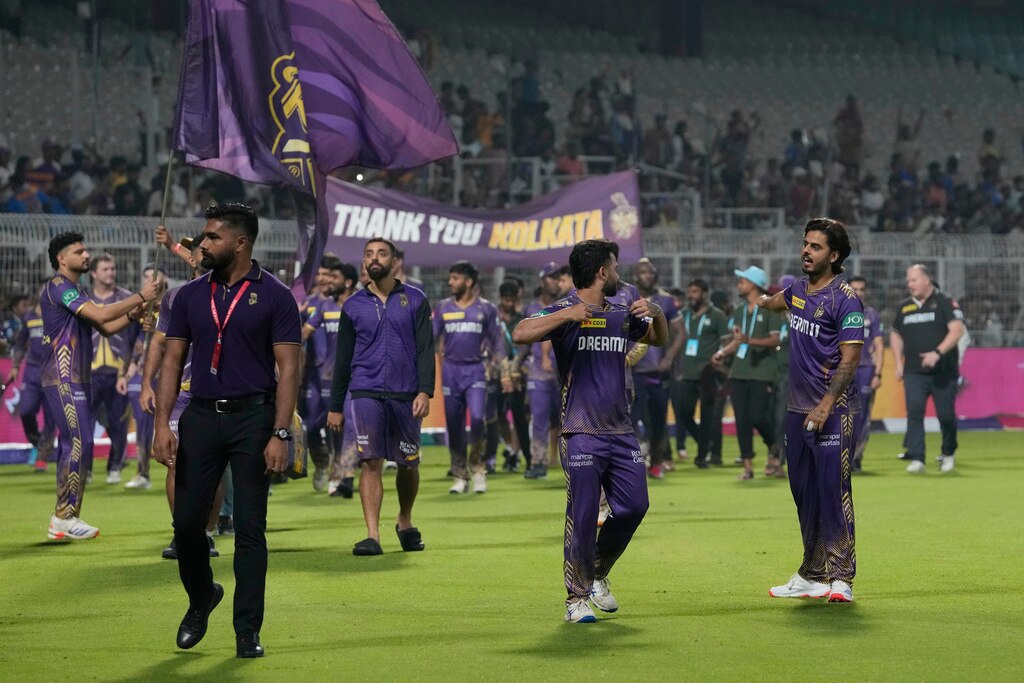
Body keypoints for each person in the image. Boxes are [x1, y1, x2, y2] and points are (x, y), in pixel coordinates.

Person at [153, 203, 302, 658]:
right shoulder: (188, 295)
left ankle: (246, 630)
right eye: (203, 236)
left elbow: (290, 368)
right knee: (186, 524)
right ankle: (202, 599)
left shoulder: (276, 296)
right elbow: (172, 361)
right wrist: (162, 423)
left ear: (241, 242)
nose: (202, 244)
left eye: (212, 237)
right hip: (199, 416)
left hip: (253, 419)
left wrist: (280, 433)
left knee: (251, 529)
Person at [513, 239, 668, 624]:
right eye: (614, 267)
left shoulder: (620, 310)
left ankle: (597, 572)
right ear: (602, 272)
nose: (618, 275)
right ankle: (576, 598)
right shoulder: (565, 308)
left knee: (635, 506)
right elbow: (520, 332)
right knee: (582, 514)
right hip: (579, 429)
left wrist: (658, 312)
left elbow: (657, 338)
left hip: (620, 430)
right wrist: (567, 317)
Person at [760, 217, 863, 604]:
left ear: (834, 256)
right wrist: (763, 301)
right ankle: (812, 573)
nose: (806, 250)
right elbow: (777, 303)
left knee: (834, 493)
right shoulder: (798, 290)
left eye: (816, 246)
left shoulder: (846, 299)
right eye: (805, 244)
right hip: (795, 410)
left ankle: (841, 577)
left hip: (831, 411)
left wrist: (825, 405)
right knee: (804, 495)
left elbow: (850, 361)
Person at [41, 232, 160, 540]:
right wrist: (141, 296)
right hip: (62, 377)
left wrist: (133, 315)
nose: (86, 255)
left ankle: (66, 518)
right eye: (79, 251)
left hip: (78, 378)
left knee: (82, 443)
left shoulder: (75, 290)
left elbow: (106, 327)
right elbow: (102, 313)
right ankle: (63, 517)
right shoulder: (58, 286)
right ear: (61, 259)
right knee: (77, 442)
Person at [327, 237, 435, 556]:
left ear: (395, 262)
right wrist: (335, 406)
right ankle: (372, 535)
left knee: (408, 463)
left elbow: (426, 349)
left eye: (381, 254)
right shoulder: (353, 306)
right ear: (364, 263)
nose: (374, 259)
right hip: (365, 391)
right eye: (369, 254)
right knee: (370, 461)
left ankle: (404, 519)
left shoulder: (415, 300)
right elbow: (343, 359)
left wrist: (425, 391)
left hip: (406, 394)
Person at [140, 233, 223, 560]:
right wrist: (147, 383)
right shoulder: (176, 298)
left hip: (219, 395)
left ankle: (207, 533)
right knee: (176, 464)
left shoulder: (233, 294)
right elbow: (159, 344)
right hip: (182, 395)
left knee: (214, 469)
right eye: (197, 252)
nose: (201, 256)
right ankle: (182, 533)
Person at [433, 261, 508, 494]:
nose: (450, 282)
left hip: (476, 370)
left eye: (455, 278)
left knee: (477, 419)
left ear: (468, 281)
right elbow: (430, 338)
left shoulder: (485, 309)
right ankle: (459, 475)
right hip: (451, 371)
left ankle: (477, 468)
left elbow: (497, 341)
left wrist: (504, 371)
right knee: (454, 426)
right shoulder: (443, 307)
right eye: (450, 278)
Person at [890, 264, 965, 474]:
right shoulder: (905, 307)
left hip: (943, 372)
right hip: (913, 372)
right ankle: (917, 457)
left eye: (913, 280)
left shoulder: (945, 302)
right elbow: (895, 333)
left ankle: (948, 453)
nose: (909, 284)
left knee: (946, 415)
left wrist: (937, 353)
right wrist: (898, 362)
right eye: (908, 281)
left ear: (926, 280)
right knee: (914, 413)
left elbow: (957, 330)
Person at [715, 266, 781, 480]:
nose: (739, 284)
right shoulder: (740, 311)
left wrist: (748, 341)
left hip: (762, 372)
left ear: (754, 284)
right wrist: (722, 353)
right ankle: (748, 467)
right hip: (739, 372)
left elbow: (776, 339)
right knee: (741, 419)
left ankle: (773, 444)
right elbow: (737, 340)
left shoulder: (770, 308)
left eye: (743, 281)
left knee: (756, 416)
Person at [86, 253, 141, 484]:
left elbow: (138, 336)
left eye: (113, 268)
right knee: (84, 423)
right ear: (94, 273)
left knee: (117, 422)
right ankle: (85, 470)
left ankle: (115, 466)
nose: (111, 272)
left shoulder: (126, 299)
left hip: (118, 371)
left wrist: (132, 366)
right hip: (87, 372)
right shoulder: (83, 300)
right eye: (106, 269)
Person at [665, 279, 729, 469]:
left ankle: (702, 457)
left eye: (695, 292)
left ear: (704, 293)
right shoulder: (682, 315)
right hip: (686, 373)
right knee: (684, 412)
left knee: (708, 415)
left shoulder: (717, 316)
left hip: (708, 374)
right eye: (689, 292)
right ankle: (704, 442)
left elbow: (726, 342)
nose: (691, 295)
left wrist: (721, 360)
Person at [631, 259, 677, 478]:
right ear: (635, 275)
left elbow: (680, 332)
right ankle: (629, 463)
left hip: (657, 373)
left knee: (659, 421)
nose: (647, 275)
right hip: (631, 371)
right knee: (629, 420)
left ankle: (657, 462)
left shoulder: (665, 301)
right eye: (643, 272)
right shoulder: (626, 298)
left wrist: (668, 358)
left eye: (651, 272)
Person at [124, 264, 167, 490]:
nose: (152, 281)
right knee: (142, 424)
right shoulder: (139, 311)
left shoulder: (172, 306)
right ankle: (143, 472)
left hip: (170, 376)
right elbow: (133, 344)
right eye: (147, 277)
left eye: (155, 277)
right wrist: (127, 372)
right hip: (142, 376)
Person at [522, 263, 565, 480]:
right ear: (542, 280)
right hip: (538, 374)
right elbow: (523, 341)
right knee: (539, 419)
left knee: (568, 421)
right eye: (551, 277)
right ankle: (538, 462)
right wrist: (513, 367)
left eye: (558, 276)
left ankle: (571, 462)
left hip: (564, 374)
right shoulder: (531, 309)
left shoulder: (569, 305)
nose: (555, 281)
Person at [6, 296, 57, 472]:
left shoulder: (58, 315)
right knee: (26, 410)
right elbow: (20, 343)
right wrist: (14, 366)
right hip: (33, 372)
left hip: (54, 372)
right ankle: (38, 442)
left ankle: (42, 457)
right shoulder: (29, 317)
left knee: (52, 417)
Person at [847, 276, 884, 472]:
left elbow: (878, 344)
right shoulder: (837, 312)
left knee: (862, 416)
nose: (858, 293)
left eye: (861, 289)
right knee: (841, 414)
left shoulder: (871, 315)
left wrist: (878, 374)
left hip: (865, 370)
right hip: (844, 370)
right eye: (855, 289)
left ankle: (856, 457)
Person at [496, 279, 531, 472]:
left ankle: (528, 458)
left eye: (512, 299)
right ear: (501, 298)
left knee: (520, 417)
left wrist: (516, 365)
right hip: (498, 372)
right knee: (497, 413)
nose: (509, 303)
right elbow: (494, 343)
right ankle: (510, 449)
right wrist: (504, 369)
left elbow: (527, 344)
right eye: (505, 300)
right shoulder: (494, 317)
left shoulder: (523, 316)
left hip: (520, 373)